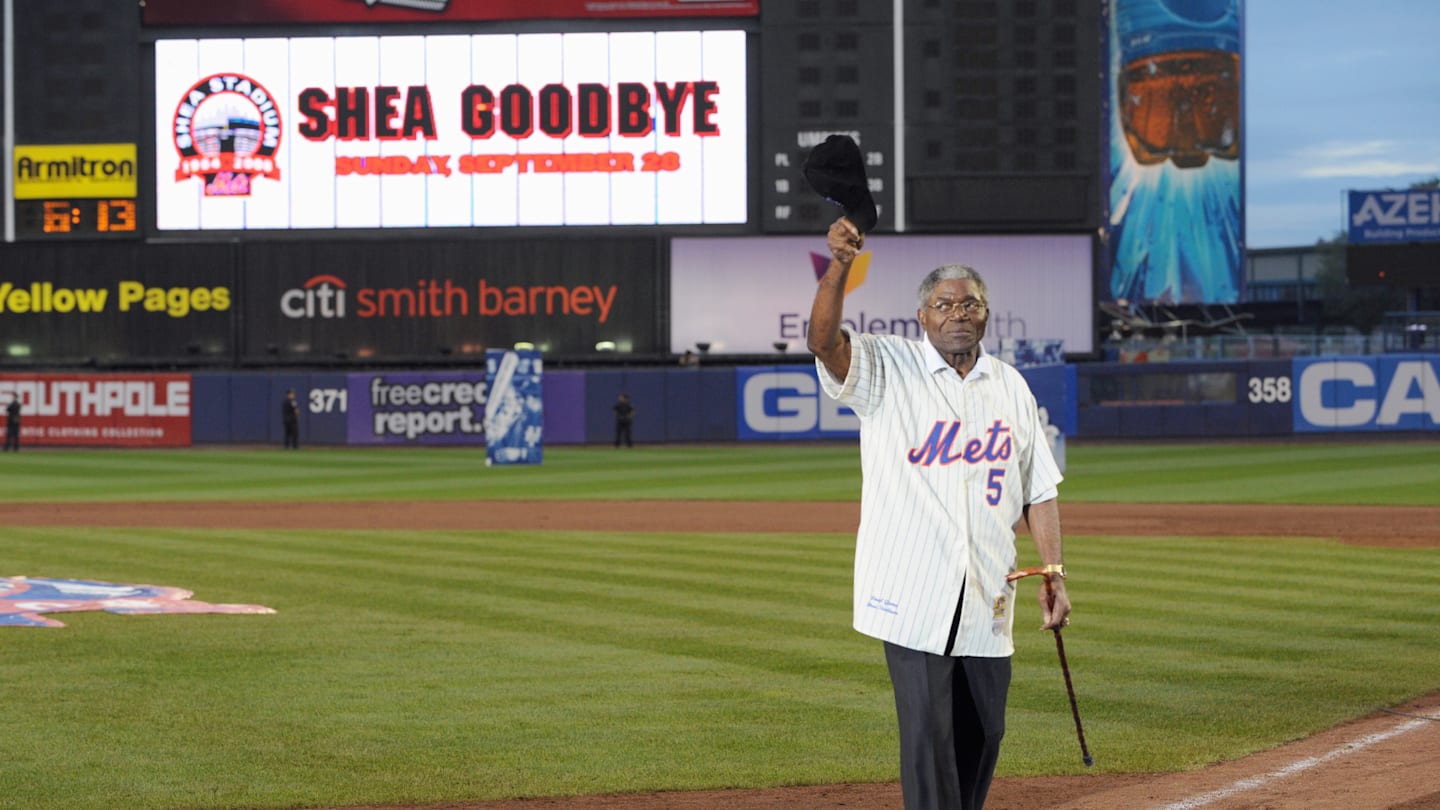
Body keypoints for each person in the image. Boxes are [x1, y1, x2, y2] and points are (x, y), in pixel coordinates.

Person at [807, 216, 1071, 810]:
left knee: (985, 735)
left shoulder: (1010, 386)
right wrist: (841, 264)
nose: (958, 312)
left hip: (988, 592)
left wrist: (1054, 571)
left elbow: (1039, 488)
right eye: (944, 304)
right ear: (922, 317)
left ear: (986, 315)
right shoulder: (886, 367)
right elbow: (824, 342)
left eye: (970, 303)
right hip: (913, 595)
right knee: (930, 742)